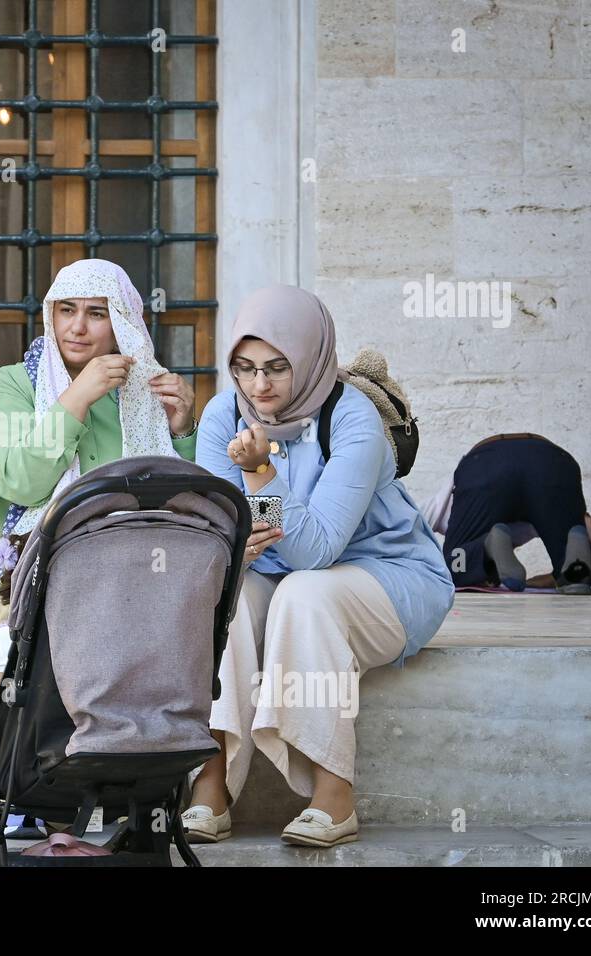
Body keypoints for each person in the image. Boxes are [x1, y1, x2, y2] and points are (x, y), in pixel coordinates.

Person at [186, 285, 454, 849]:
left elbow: (316, 551)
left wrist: (259, 476)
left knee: (305, 593)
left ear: (309, 359)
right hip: (280, 571)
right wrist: (237, 542)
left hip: (387, 576)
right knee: (223, 595)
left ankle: (334, 791)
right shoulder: (221, 414)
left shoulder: (354, 420)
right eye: (245, 368)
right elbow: (219, 533)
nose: (259, 387)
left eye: (278, 368)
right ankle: (212, 779)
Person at [0, 258, 198, 684]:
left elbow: (183, 501)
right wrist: (77, 397)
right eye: (67, 310)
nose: (77, 327)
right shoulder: (13, 384)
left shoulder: (145, 390)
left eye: (96, 313)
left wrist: (181, 431)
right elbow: (19, 483)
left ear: (121, 321)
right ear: (51, 314)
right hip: (36, 560)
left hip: (136, 555)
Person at [420, 435, 591, 594]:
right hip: (554, 463)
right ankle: (572, 571)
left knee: (452, 567)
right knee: (570, 551)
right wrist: (553, 577)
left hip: (487, 465)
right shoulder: (537, 518)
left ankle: (486, 549)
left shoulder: (446, 506)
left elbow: (404, 526)